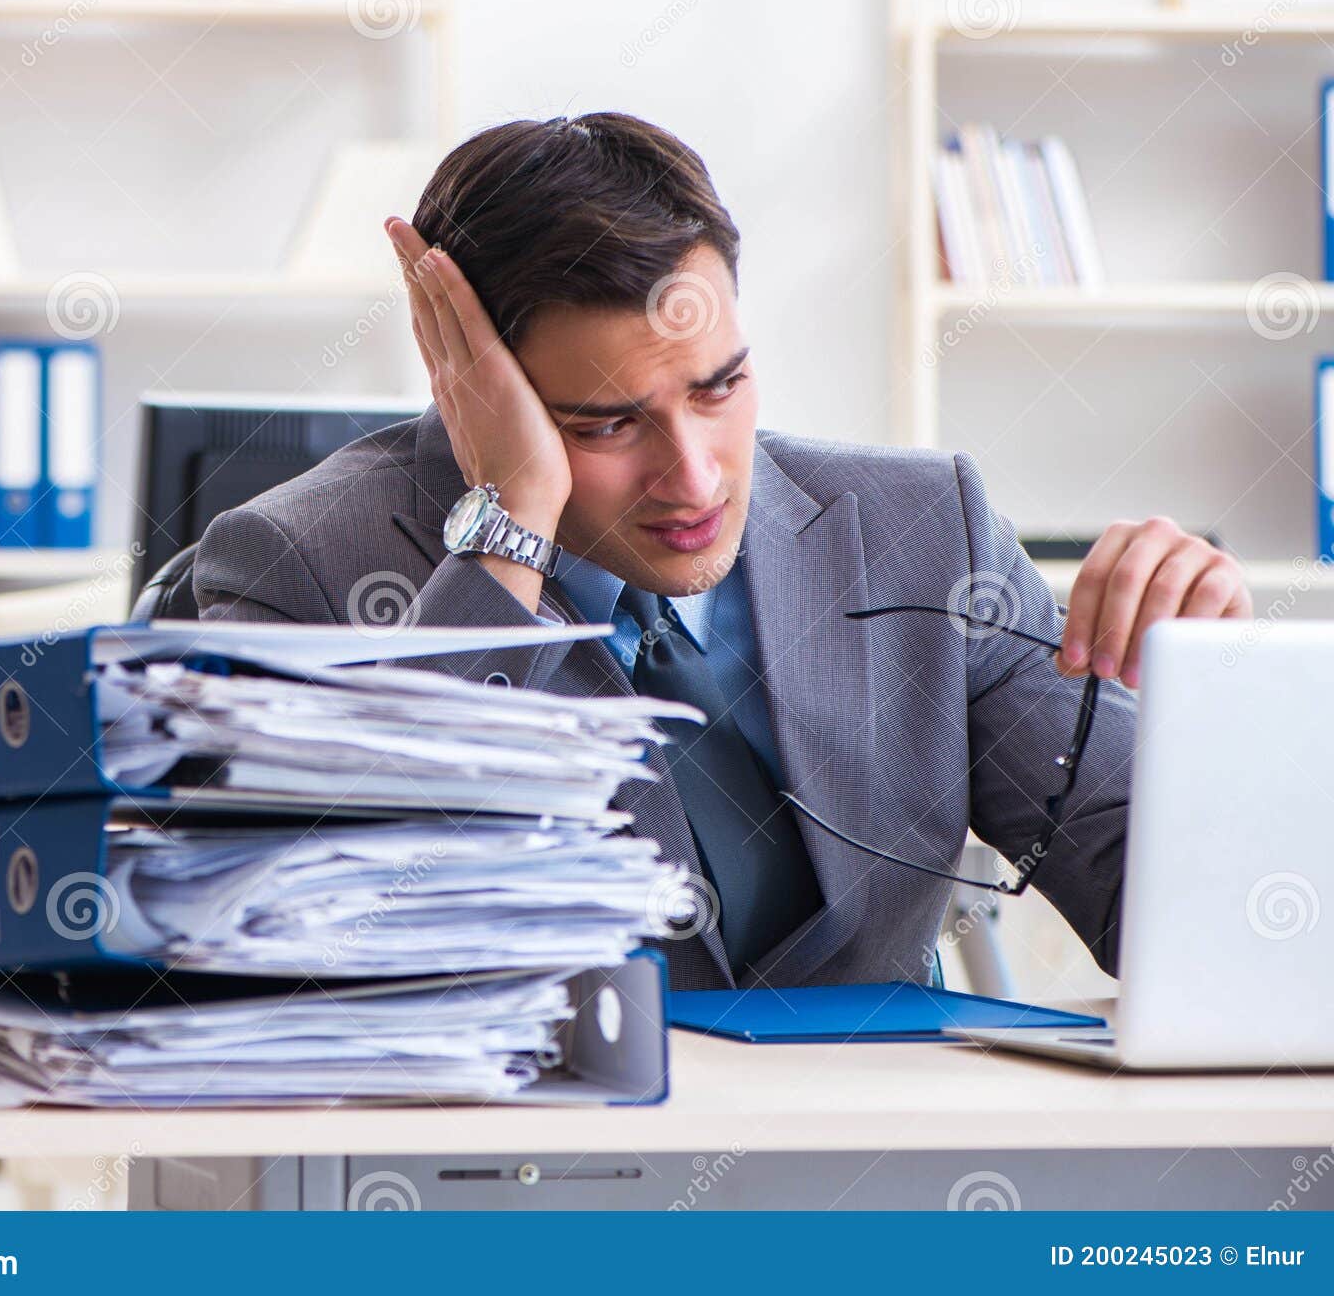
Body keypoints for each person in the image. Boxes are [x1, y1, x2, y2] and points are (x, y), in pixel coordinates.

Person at [196, 112, 1251, 991]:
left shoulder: (926, 531)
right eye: (604, 423)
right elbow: (327, 953)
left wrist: (1223, 706)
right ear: (472, 389)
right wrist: (509, 526)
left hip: (872, 1184)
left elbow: (1188, 932)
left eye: (718, 387)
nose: (695, 478)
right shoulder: (297, 565)